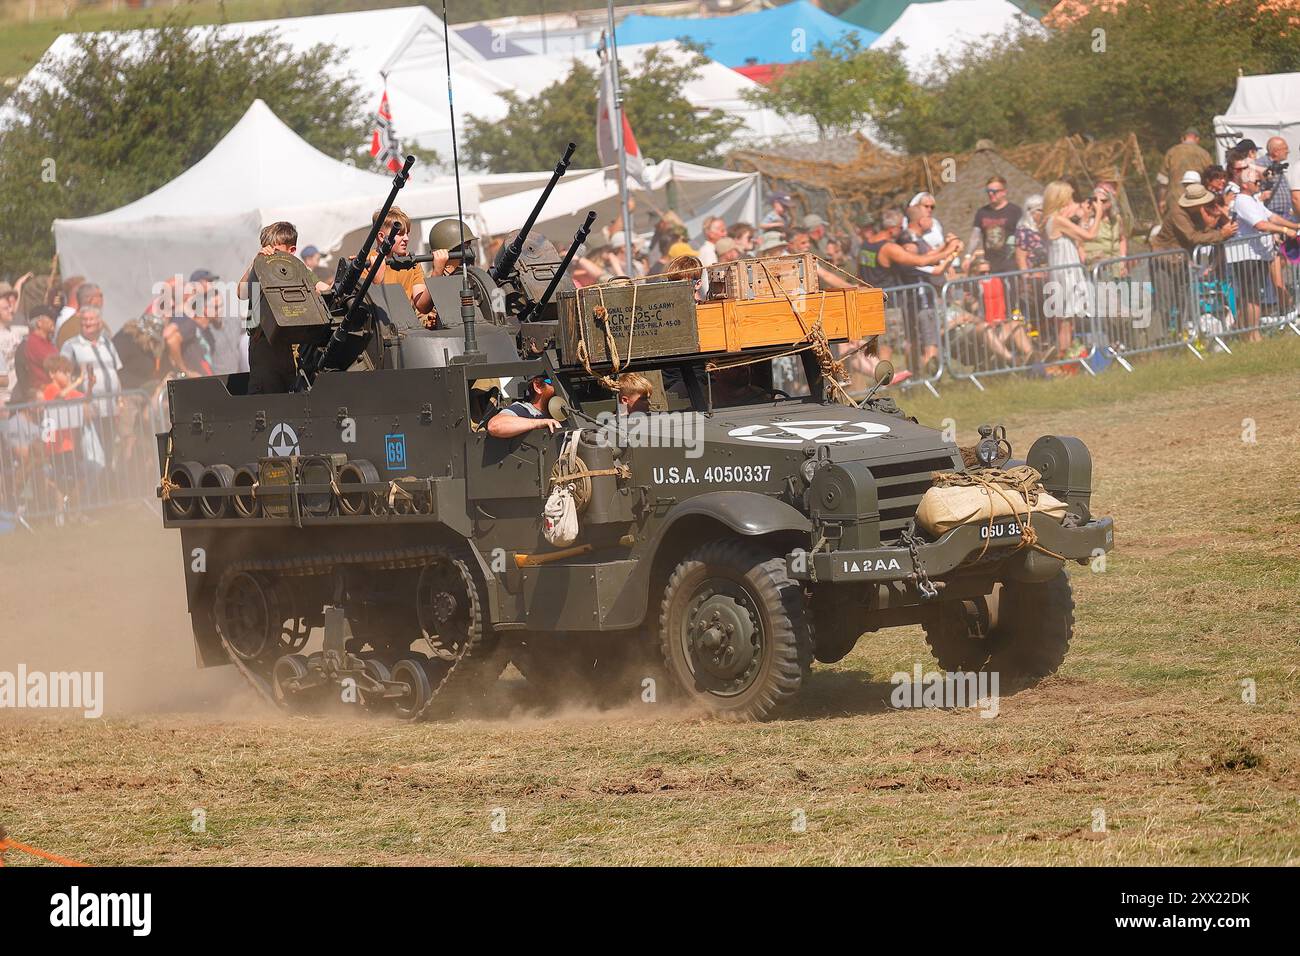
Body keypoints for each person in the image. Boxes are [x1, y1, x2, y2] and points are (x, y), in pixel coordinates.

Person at [1225, 162, 1300, 341]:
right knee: (1251, 297)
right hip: (1245, 256)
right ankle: (1253, 335)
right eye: (1256, 182)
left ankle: (1245, 334)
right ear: (1245, 184)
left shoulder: (1252, 200)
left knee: (1252, 296)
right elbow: (1260, 224)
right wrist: (1284, 231)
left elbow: (1271, 216)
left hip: (1257, 254)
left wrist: (1295, 225)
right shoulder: (1242, 201)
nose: (1259, 185)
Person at [1042, 180, 1101, 360]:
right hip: (1066, 273)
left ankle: (1068, 358)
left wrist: (1084, 216)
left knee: (1066, 321)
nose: (1070, 201)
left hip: (1061, 271)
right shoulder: (1058, 220)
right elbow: (1090, 235)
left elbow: (1077, 235)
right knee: (1065, 321)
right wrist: (1098, 214)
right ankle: (1065, 360)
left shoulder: (1050, 220)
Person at [966, 177, 1022, 277]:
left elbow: (1022, 237)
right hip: (990, 265)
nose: (991, 194)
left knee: (1010, 292)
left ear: (1004, 192)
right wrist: (968, 256)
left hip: (1010, 264)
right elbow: (975, 237)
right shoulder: (982, 212)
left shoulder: (1015, 211)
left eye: (994, 191)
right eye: (988, 191)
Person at [486, 373, 561, 438]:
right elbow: (494, 426)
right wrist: (540, 423)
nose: (560, 386)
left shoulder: (563, 411)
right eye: (553, 380)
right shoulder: (524, 410)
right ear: (538, 386)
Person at [1157, 128, 1214, 213]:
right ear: (1197, 139)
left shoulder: (1172, 152)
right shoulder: (1204, 154)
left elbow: (1163, 180)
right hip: (1197, 200)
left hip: (1175, 200)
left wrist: (1162, 200)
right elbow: (1212, 178)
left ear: (1182, 138)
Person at [14, 305, 59, 402]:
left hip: (55, 392)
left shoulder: (47, 342)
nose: (54, 322)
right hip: (44, 396)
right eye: (50, 318)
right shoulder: (33, 342)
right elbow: (57, 366)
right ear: (39, 323)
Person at [0, 279, 31, 409]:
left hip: (21, 395)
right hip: (4, 400)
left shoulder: (18, 331)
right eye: (6, 308)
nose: (11, 310)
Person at [55, 282, 102, 347]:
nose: (102, 301)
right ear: (90, 299)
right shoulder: (69, 325)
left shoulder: (100, 324)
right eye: (100, 296)